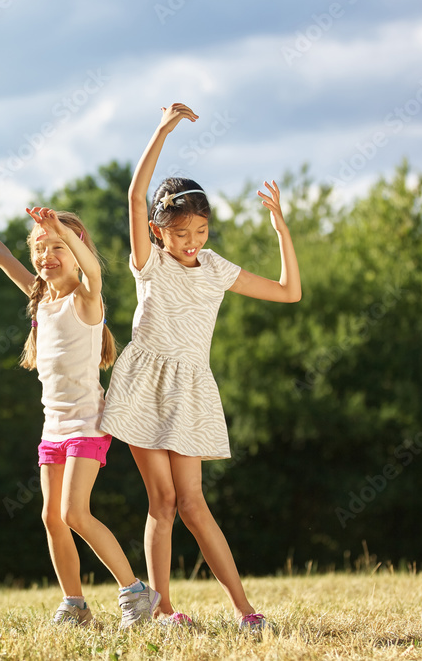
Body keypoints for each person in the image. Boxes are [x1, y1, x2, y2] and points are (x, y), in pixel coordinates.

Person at [100, 103, 302, 631]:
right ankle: (163, 611)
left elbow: (289, 292)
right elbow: (133, 195)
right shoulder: (149, 264)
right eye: (182, 233)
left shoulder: (215, 268)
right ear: (159, 231)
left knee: (193, 502)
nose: (192, 242)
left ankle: (246, 610)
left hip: (189, 385)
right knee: (161, 501)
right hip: (144, 382)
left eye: (201, 230)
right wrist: (162, 129)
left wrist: (281, 227)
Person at [0, 197, 159, 629]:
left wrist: (60, 227)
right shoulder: (40, 298)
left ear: (77, 251)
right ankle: (75, 604)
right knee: (51, 517)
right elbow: (1, 256)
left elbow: (94, 270)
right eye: (39, 249)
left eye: (56, 247)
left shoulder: (86, 299)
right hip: (54, 429)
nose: (46, 256)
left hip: (87, 425)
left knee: (75, 513)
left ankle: (136, 593)